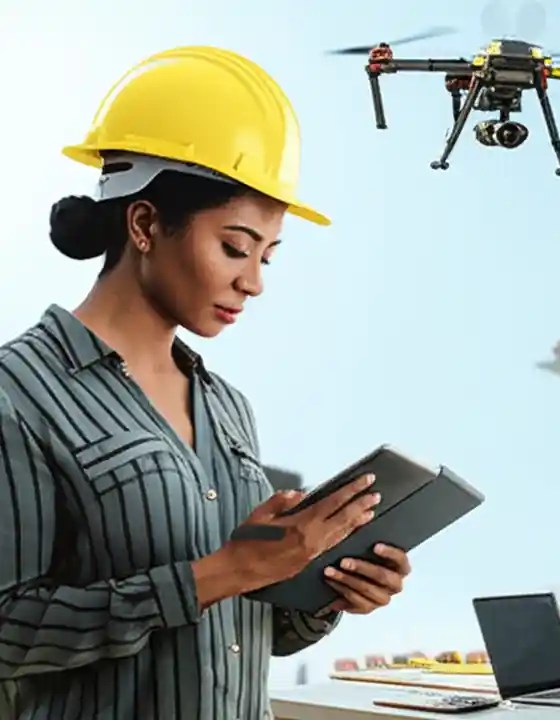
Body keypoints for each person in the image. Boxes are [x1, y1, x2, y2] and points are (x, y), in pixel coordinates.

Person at [0, 46, 413, 720]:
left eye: (267, 256)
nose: (253, 281)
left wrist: (325, 590)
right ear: (145, 224)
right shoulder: (18, 392)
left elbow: (246, 632)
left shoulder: (227, 408)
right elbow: (7, 630)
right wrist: (224, 570)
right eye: (234, 247)